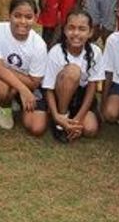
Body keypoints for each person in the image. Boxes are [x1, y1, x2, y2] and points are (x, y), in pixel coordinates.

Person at [0, 0, 48, 134]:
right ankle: (6, 107)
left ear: (35, 18)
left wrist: (2, 69)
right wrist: (22, 89)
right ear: (9, 15)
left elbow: (34, 82)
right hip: (12, 83)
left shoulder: (39, 45)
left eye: (28, 17)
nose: (22, 22)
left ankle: (16, 99)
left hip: (29, 86)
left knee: (36, 128)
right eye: (17, 15)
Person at [42, 9, 103, 143]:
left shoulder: (96, 52)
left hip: (81, 98)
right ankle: (61, 119)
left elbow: (92, 87)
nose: (76, 33)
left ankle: (73, 119)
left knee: (90, 129)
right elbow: (48, 88)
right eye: (71, 28)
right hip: (60, 96)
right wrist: (57, 116)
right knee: (73, 71)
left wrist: (78, 119)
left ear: (90, 32)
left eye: (82, 29)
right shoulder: (56, 52)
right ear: (64, 30)